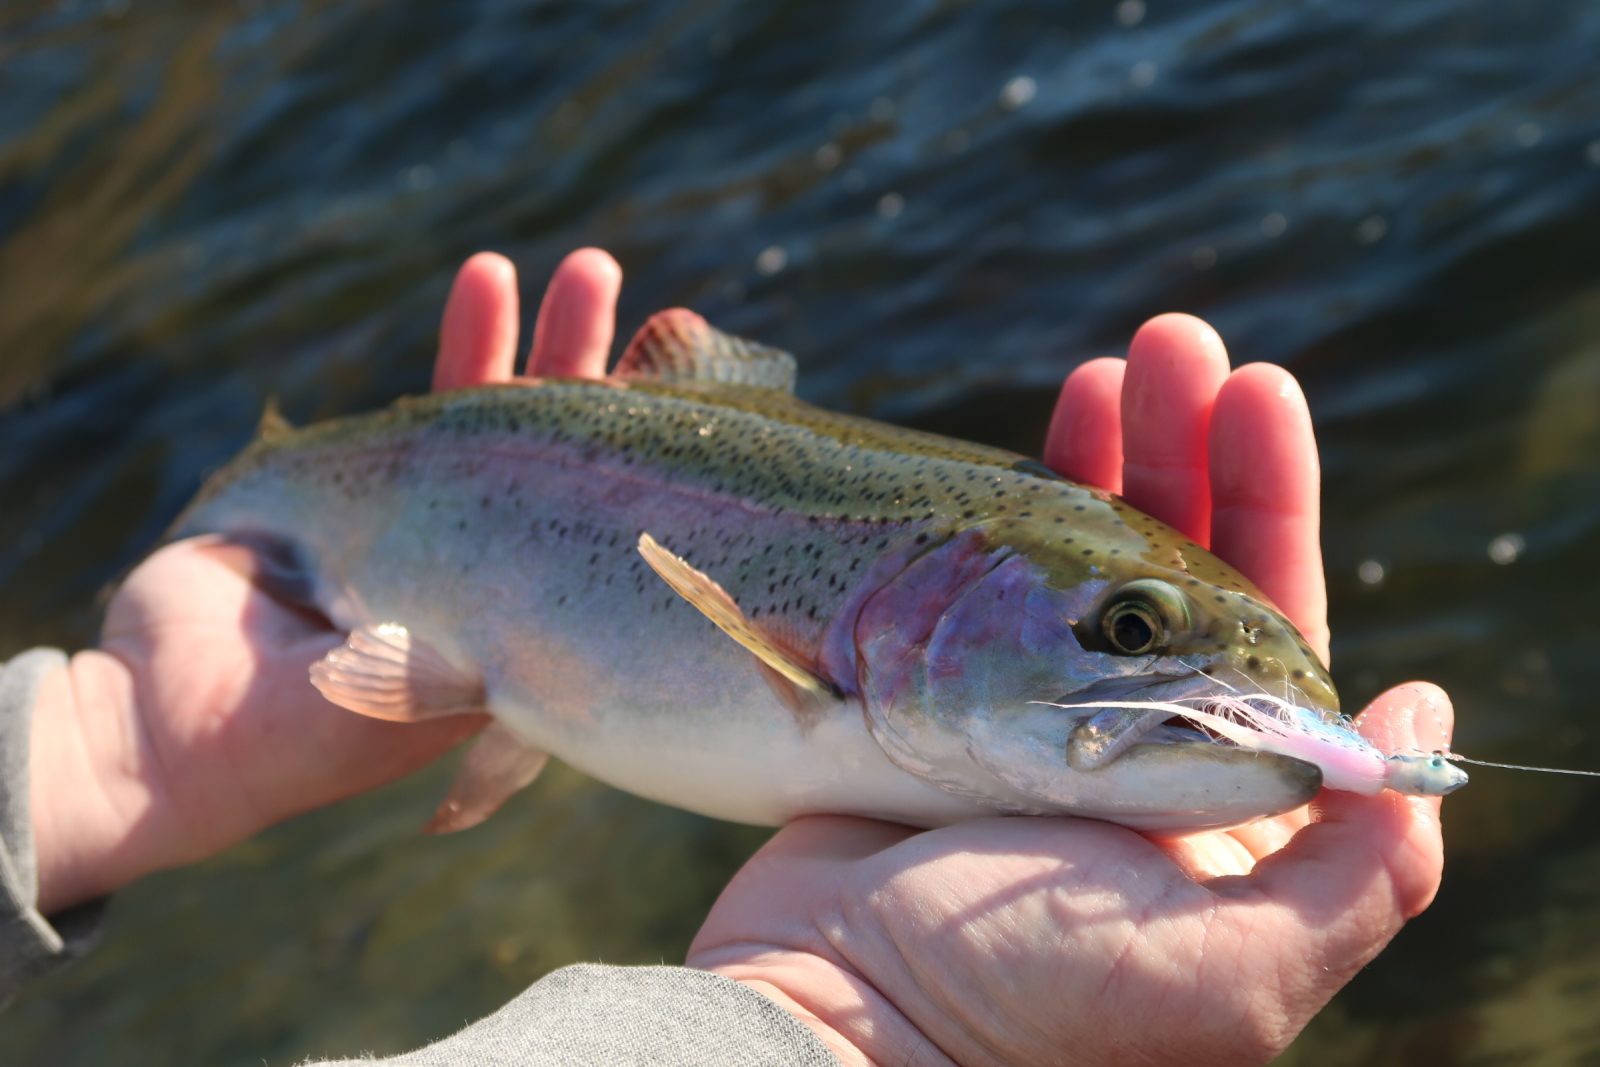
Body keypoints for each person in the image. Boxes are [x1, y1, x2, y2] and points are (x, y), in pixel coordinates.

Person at [1, 249, 1453, 1066]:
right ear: (931, 598)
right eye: (1126, 631)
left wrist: (92, 758)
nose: (1172, 683)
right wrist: (870, 1033)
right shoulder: (823, 644)